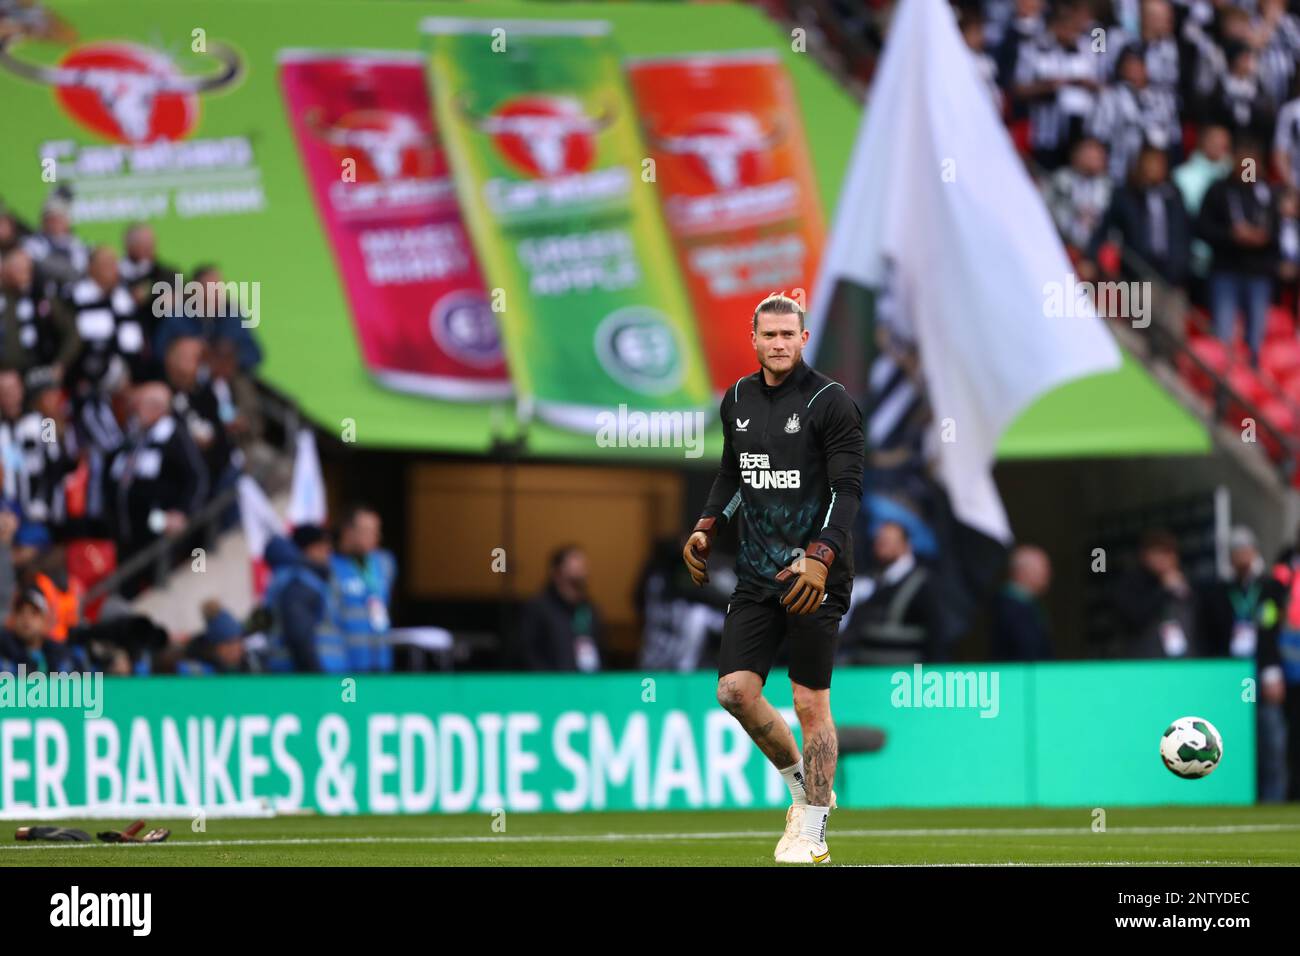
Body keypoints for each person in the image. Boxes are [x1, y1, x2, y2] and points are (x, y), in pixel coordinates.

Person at [683, 293, 863, 864]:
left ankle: (813, 830)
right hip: (757, 573)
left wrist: (822, 555)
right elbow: (732, 474)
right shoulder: (736, 398)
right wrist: (707, 525)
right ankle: (805, 789)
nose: (779, 343)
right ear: (754, 339)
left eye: (789, 334)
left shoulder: (831, 402)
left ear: (804, 339)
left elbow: (847, 490)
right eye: (770, 335)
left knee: (810, 701)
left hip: (814, 576)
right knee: (734, 692)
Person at [1202, 526, 1287, 801]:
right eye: (1235, 551)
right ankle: (1237, 797)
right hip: (1232, 675)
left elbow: (1272, 632)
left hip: (1261, 671)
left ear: (1254, 551)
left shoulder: (1270, 587)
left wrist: (1273, 671)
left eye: (1245, 550)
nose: (1241, 556)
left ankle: (1273, 801)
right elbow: (1212, 634)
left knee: (1271, 739)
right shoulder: (1220, 591)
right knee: (1234, 740)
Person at [1197, 135, 1279, 365]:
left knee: (1255, 338)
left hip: (1258, 274)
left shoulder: (1266, 194)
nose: (1248, 168)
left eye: (1252, 163)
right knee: (1223, 333)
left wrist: (1262, 238)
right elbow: (1202, 228)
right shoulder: (1218, 190)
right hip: (1225, 271)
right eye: (1244, 162)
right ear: (1234, 161)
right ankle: (1221, 379)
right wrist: (1231, 235)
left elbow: (1278, 234)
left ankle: (1251, 376)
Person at [838, 521, 940, 665]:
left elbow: (937, 634)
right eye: (879, 541)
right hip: (861, 666)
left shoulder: (923, 584)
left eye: (888, 541)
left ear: (906, 545)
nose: (882, 546)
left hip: (903, 671)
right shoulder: (868, 581)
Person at [259, 527, 347, 673]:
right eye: (322, 546)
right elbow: (299, 637)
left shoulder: (300, 581)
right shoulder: (301, 584)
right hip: (308, 676)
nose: (328, 551)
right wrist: (314, 676)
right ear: (308, 550)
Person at [1110, 529, 1201, 658]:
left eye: (1169, 553)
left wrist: (1184, 593)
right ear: (1145, 556)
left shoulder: (1184, 582)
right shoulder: (1130, 583)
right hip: (1144, 661)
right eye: (1158, 553)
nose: (1165, 559)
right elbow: (1135, 617)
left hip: (1184, 661)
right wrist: (1164, 590)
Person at [515, 545, 604, 672]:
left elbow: (599, 650)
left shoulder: (590, 609)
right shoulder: (538, 608)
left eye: (583, 569)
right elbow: (527, 652)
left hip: (588, 680)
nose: (581, 572)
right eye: (574, 570)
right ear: (557, 573)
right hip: (550, 681)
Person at [330, 504, 396, 673]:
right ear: (348, 532)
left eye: (376, 530)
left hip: (380, 659)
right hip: (345, 663)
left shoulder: (384, 564)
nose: (375, 536)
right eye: (367, 530)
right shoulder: (330, 567)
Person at [991, 544, 1054, 660]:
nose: (1047, 574)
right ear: (1022, 571)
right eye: (1043, 568)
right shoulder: (1010, 606)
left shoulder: (1026, 603)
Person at [0, 588, 86, 674]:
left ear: (45, 620)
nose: (26, 617)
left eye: (34, 613)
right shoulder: (4, 652)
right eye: (20, 612)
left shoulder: (62, 656)